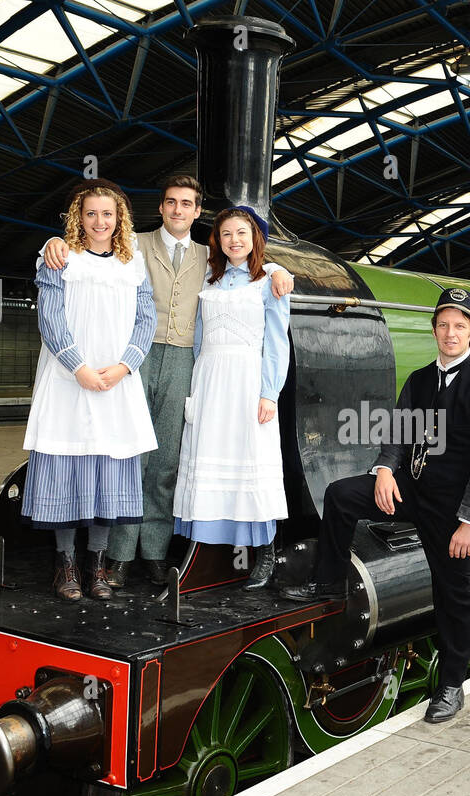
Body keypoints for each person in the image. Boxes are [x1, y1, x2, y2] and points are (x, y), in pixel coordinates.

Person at [39, 176, 293, 588]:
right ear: (160, 208)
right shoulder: (131, 244)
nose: (178, 210)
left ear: (197, 212)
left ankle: (155, 552)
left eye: (187, 204)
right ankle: (118, 557)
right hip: (134, 357)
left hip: (183, 360)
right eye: (171, 202)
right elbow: (88, 244)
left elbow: (250, 261)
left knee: (165, 463)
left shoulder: (208, 256)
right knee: (129, 457)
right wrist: (54, 241)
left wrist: (279, 268)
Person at [280, 288, 470, 723]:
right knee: (341, 495)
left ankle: (451, 685)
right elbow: (398, 433)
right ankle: (329, 583)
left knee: (453, 593)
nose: (451, 333)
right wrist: (385, 468)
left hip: (451, 509)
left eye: (459, 326)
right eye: (443, 325)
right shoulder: (419, 380)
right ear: (434, 330)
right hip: (411, 489)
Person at [22, 179, 158, 601]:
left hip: (116, 383)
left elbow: (146, 319)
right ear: (78, 218)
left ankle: (95, 565)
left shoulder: (133, 263)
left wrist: (124, 366)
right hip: (69, 381)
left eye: (108, 214)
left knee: (105, 474)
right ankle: (65, 567)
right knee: (67, 471)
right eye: (91, 213)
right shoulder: (61, 258)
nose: (100, 221)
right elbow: (50, 317)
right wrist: (77, 367)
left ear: (120, 219)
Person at [170, 206, 291, 588]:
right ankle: (206, 548)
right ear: (218, 240)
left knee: (250, 459)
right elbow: (198, 337)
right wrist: (196, 385)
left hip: (247, 379)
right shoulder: (209, 278)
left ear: (255, 238)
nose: (234, 240)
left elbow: (277, 343)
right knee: (210, 455)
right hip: (209, 377)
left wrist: (269, 393)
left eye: (242, 233)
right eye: (226, 234)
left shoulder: (269, 280)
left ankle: (265, 551)